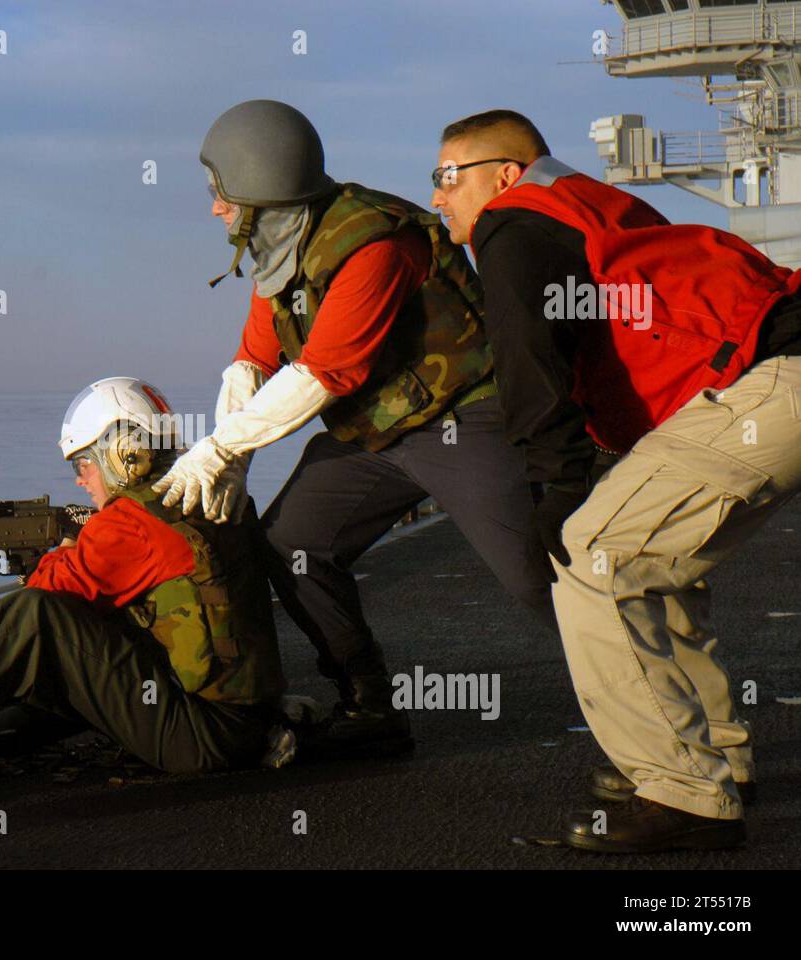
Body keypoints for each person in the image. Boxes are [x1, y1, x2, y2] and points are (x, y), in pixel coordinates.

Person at [433, 108, 801, 852]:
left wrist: (557, 492)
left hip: (771, 382)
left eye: (447, 177)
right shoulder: (593, 205)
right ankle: (714, 758)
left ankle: (686, 794)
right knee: (656, 559)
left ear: (503, 175)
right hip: (773, 373)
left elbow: (528, 362)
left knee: (597, 555)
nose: (437, 197)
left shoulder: (511, 225)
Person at [152, 99, 557, 753]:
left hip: (465, 420)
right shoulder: (281, 251)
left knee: (539, 577)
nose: (215, 209)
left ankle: (662, 712)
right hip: (378, 434)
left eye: (219, 193)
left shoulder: (373, 243)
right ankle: (369, 707)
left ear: (259, 187)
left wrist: (220, 449)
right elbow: (253, 365)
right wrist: (231, 461)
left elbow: (323, 375)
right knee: (292, 545)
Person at [0, 377, 290, 774]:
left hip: (202, 736)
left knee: (37, 614)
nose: (80, 480)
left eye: (84, 463)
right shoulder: (205, 491)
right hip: (247, 722)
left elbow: (44, 598)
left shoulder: (133, 521)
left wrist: (61, 551)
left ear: (122, 455)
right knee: (90, 632)